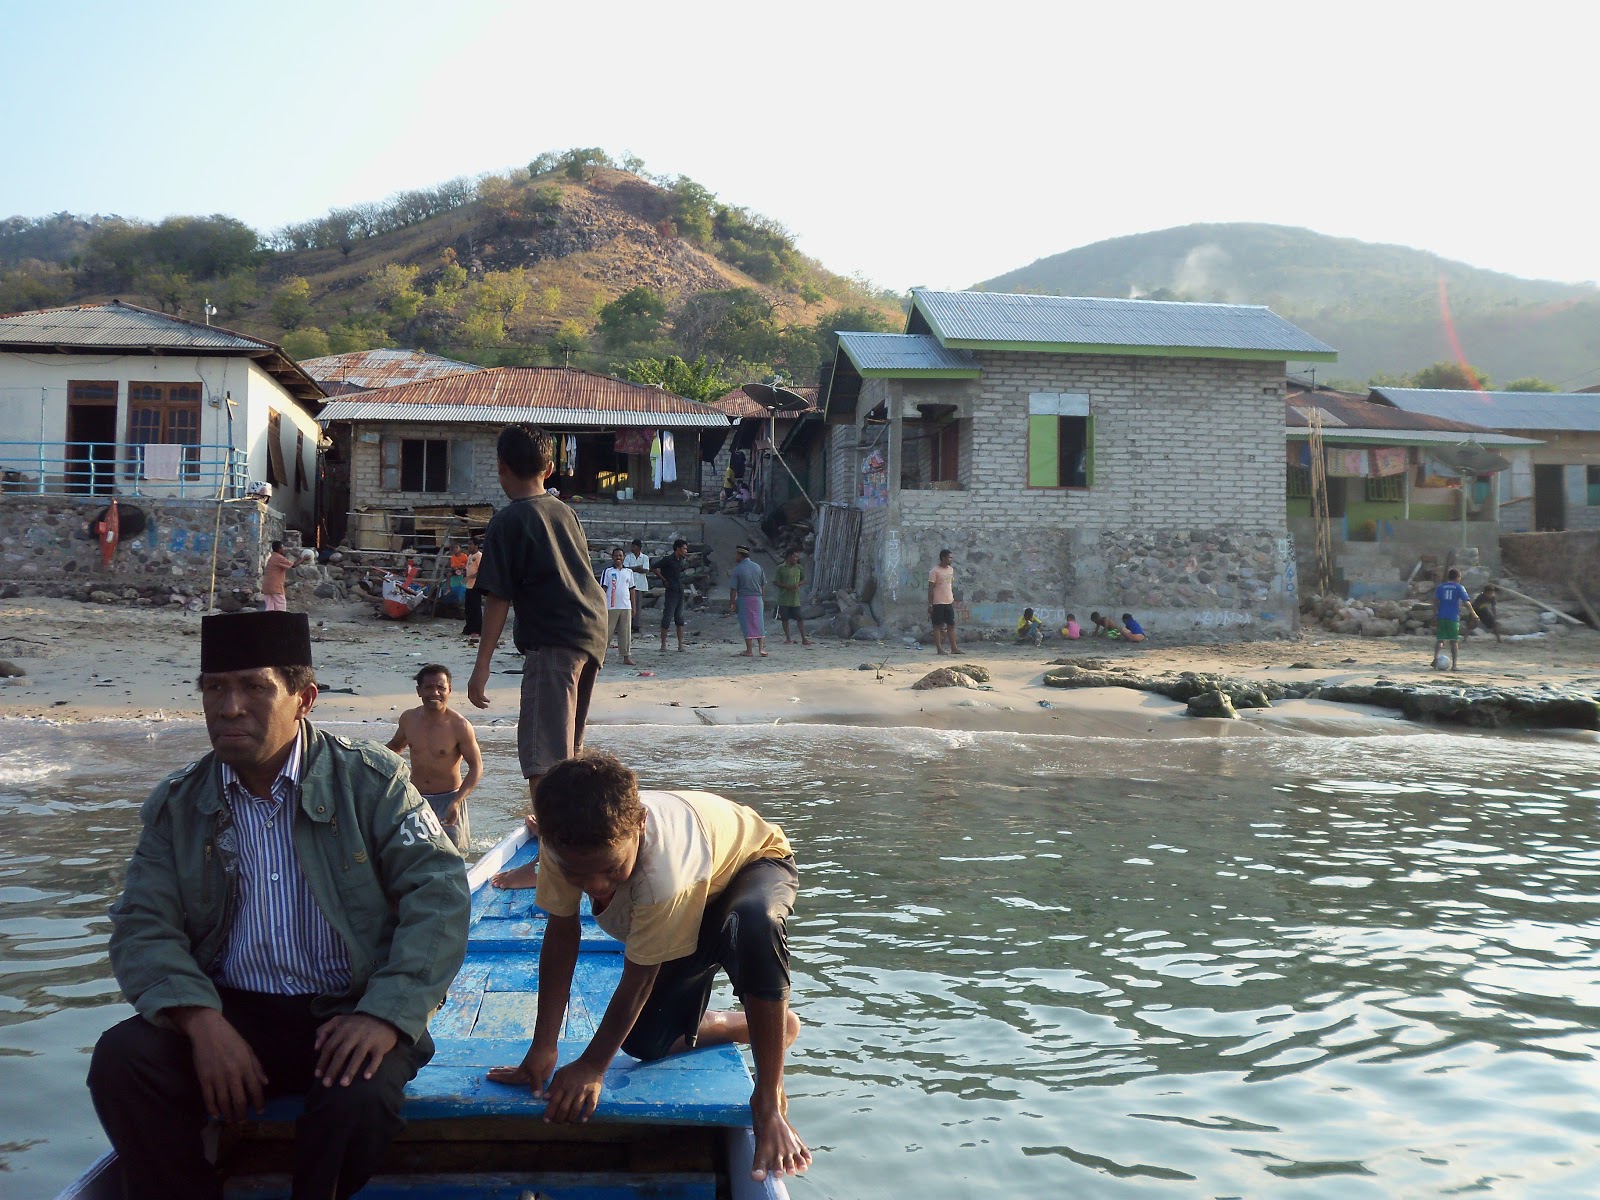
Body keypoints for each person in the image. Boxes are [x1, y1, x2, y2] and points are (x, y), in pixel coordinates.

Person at [86, 611, 470, 1200]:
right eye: (215, 688)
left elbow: (440, 896)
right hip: (231, 1012)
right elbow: (142, 924)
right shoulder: (179, 804)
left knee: (359, 1099)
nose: (230, 706)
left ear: (304, 699)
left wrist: (384, 1013)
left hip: (348, 1009)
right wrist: (200, 1021)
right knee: (121, 1062)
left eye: (254, 687)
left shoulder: (373, 782)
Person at [486, 752, 810, 1184]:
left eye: (611, 868)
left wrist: (593, 1066)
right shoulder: (562, 844)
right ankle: (740, 1024)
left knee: (755, 922)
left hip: (749, 870)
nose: (597, 886)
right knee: (646, 1044)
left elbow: (638, 979)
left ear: (638, 825)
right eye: (579, 875)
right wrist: (544, 1048)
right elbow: (562, 935)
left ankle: (769, 1101)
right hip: (691, 902)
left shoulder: (664, 874)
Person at [469, 425, 608, 890]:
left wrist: (482, 663)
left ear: (502, 468)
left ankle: (551, 864)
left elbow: (497, 599)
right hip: (590, 632)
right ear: (549, 469)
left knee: (543, 757)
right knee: (567, 752)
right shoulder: (564, 511)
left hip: (553, 640)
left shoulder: (510, 520)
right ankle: (569, 835)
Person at [387, 664, 483, 853]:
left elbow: (476, 767)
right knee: (416, 855)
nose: (435, 693)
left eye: (441, 687)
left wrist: (457, 801)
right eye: (429, 687)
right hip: (416, 799)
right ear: (419, 691)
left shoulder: (460, 726)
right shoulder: (409, 719)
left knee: (454, 856)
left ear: (449, 690)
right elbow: (394, 748)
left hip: (449, 801)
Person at [600, 547, 639, 667]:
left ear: (623, 558)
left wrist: (633, 606)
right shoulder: (608, 571)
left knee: (625, 632)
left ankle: (626, 656)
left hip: (625, 606)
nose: (618, 558)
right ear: (612, 557)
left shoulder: (629, 572)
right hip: (611, 606)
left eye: (620, 556)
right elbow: (603, 589)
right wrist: (601, 605)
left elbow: (632, 590)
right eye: (616, 556)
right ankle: (601, 656)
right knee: (607, 632)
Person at [1432, 567, 1477, 671]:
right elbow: (1466, 602)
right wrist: (1474, 614)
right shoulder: (1459, 587)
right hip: (1453, 617)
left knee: (1440, 639)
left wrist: (1435, 614)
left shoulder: (1441, 587)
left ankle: (1435, 659)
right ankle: (1455, 665)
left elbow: (1435, 601)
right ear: (1457, 578)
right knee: (1454, 641)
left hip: (1442, 616)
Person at [728, 544, 767, 657]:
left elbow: (733, 589)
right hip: (757, 599)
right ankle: (761, 649)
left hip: (744, 599)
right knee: (759, 622)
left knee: (747, 624)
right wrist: (761, 599)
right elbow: (763, 585)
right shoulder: (758, 567)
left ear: (740, 555)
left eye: (736, 554)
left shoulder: (738, 569)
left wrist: (732, 603)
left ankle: (749, 650)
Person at [655, 538, 690, 653]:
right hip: (671, 590)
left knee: (679, 617)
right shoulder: (668, 560)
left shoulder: (680, 560)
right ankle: (663, 644)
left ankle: (680, 644)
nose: (686, 551)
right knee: (667, 616)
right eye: (684, 548)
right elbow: (654, 567)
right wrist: (664, 579)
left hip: (679, 589)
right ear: (678, 548)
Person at [774, 549, 812, 646]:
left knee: (800, 618)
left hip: (795, 599)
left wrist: (798, 584)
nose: (796, 558)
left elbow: (804, 579)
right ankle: (788, 638)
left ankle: (804, 638)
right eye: (795, 556)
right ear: (789, 556)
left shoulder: (799, 567)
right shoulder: (780, 568)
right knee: (784, 619)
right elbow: (776, 582)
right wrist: (787, 586)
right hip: (783, 598)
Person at [927, 549, 960, 655]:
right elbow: (931, 589)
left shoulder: (950, 570)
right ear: (943, 558)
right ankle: (939, 649)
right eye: (949, 557)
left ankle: (954, 648)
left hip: (948, 602)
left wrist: (952, 599)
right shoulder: (934, 571)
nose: (951, 560)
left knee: (951, 625)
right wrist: (930, 604)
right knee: (937, 626)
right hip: (938, 602)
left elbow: (949, 586)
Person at [624, 539, 651, 634]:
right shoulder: (628, 557)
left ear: (638, 548)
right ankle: (628, 624)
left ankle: (636, 626)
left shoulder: (645, 557)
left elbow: (646, 570)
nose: (632, 548)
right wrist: (637, 568)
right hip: (629, 585)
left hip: (640, 584)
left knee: (637, 606)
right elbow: (626, 568)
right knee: (628, 605)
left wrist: (635, 569)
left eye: (634, 546)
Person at [262, 540, 297, 612]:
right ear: (279, 549)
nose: (283, 549)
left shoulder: (272, 557)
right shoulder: (279, 558)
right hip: (276, 587)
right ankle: (280, 622)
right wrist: (303, 558)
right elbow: (293, 565)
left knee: (270, 609)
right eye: (282, 548)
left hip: (267, 587)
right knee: (281, 608)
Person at [462, 537, 483, 646]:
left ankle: (477, 629)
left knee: (475, 608)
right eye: (468, 544)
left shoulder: (479, 556)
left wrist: (469, 577)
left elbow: (481, 571)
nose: (469, 546)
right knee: (468, 608)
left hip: (475, 586)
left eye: (471, 544)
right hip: (468, 586)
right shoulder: (470, 556)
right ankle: (469, 628)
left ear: (476, 545)